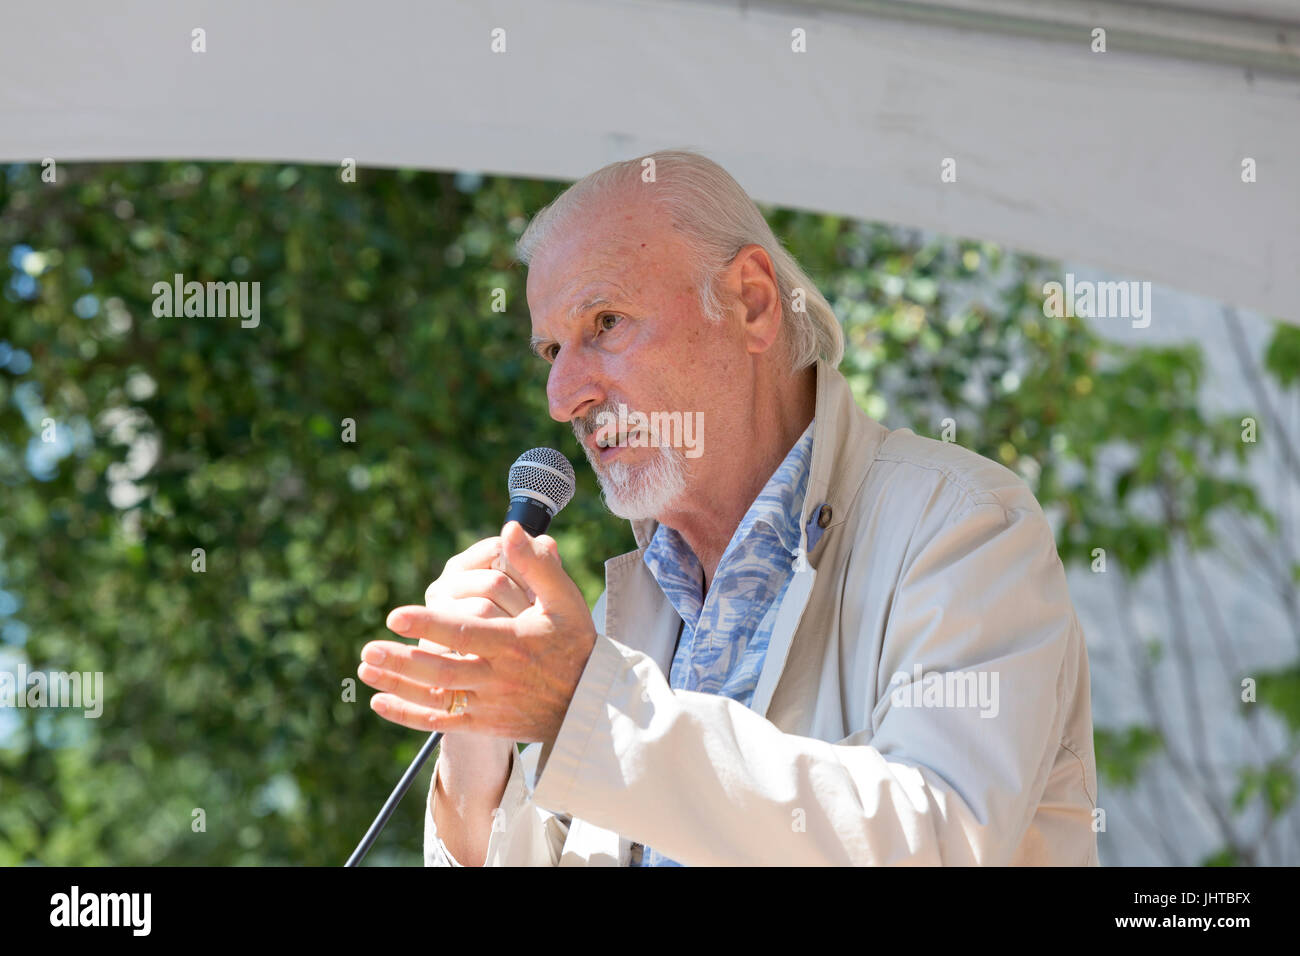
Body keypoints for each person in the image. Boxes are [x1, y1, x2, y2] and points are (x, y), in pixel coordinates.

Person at [356, 148, 1099, 866]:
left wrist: (588, 704)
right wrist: (477, 736)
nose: (563, 397)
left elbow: (937, 841)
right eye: (551, 351)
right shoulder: (644, 596)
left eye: (605, 324)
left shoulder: (964, 525)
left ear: (751, 302)